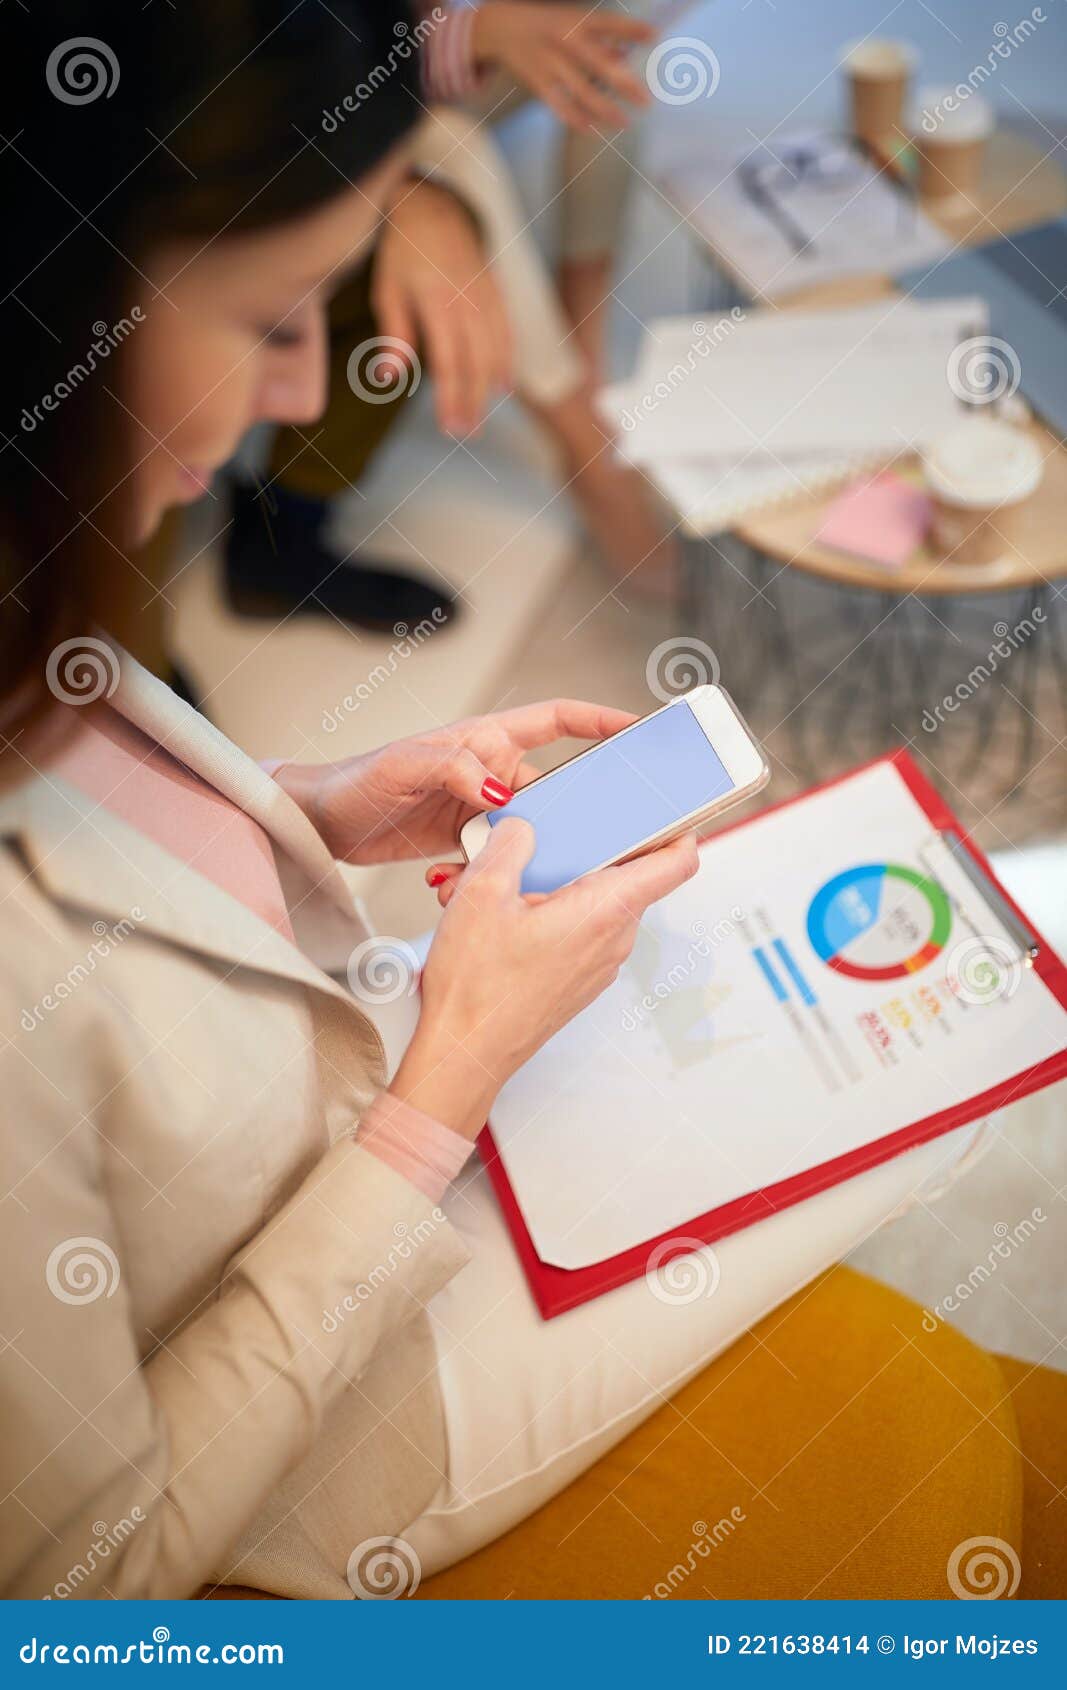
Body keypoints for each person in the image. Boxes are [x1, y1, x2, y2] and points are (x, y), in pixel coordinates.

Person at [1, 2, 1057, 1604]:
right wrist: (444, 1085)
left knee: (846, 1022)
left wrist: (310, 809)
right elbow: (93, 1572)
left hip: (342, 1109)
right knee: (924, 1089)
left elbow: (99, 843)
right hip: (323, 1397)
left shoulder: (46, 607)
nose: (304, 391)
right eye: (272, 318)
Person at [225, 2, 676, 636]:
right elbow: (284, 72)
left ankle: (584, 369)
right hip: (285, 114)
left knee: (602, 43)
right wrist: (471, 36)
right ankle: (587, 449)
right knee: (450, 163)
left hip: (374, 74)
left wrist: (469, 30)